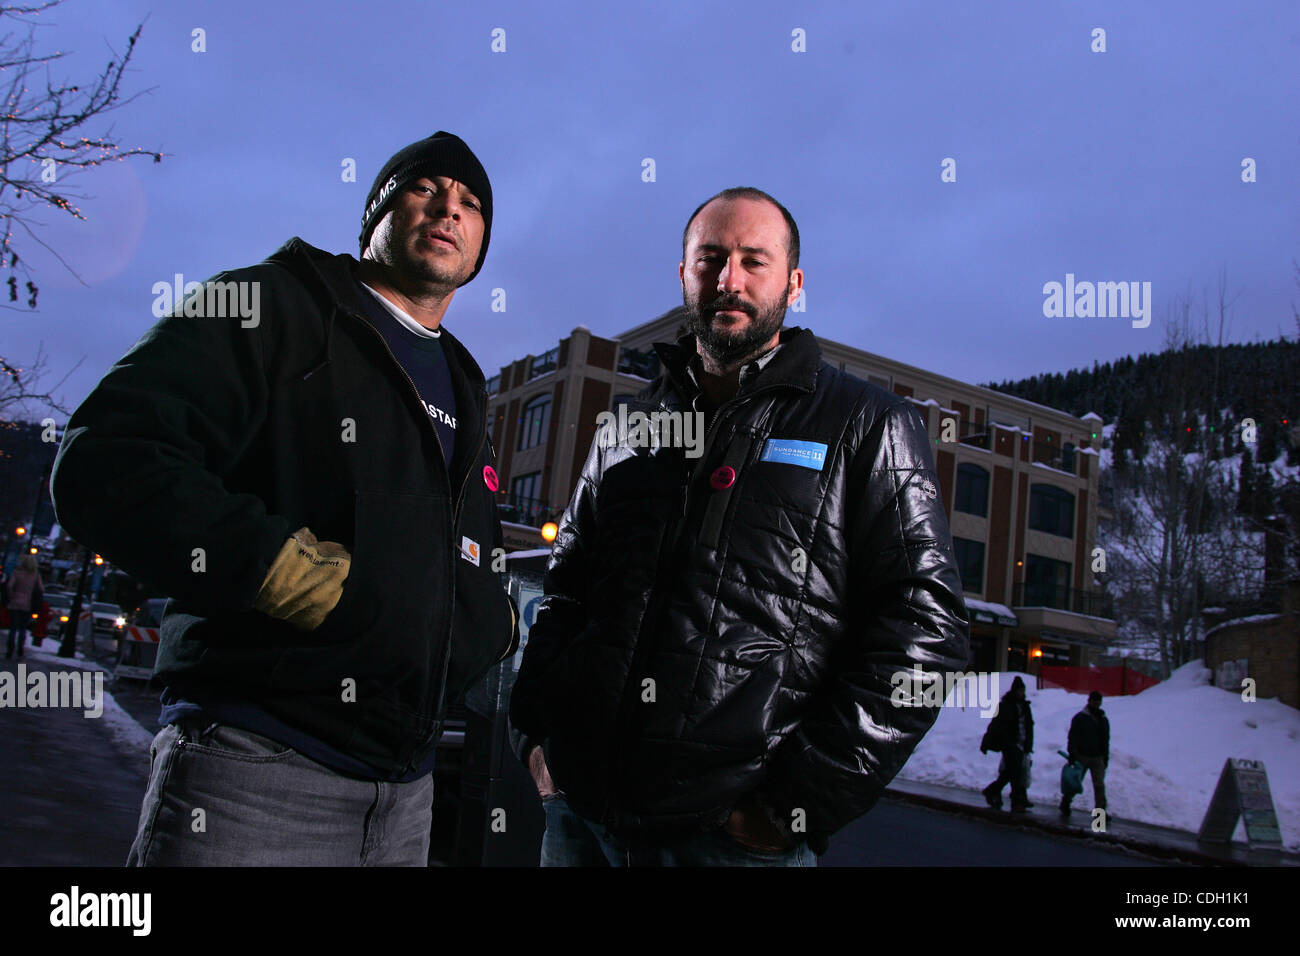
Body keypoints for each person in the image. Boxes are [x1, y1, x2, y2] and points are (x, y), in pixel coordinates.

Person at [51, 131, 517, 866]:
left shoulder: (464, 382)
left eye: (469, 202)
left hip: (406, 796)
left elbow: (459, 550)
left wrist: (489, 617)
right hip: (255, 770)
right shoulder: (274, 306)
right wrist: (282, 574)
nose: (447, 210)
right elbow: (109, 456)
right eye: (423, 189)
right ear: (375, 217)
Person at [508, 186, 970, 866]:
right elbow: (567, 586)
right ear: (684, 275)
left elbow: (928, 632)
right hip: (580, 819)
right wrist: (536, 736)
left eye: (755, 260)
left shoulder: (865, 425)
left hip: (731, 843)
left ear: (794, 282)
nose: (730, 279)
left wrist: (791, 805)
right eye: (711, 258)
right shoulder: (631, 428)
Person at [980, 675, 1035, 812]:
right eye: (1020, 691)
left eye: (1023, 691)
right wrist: (987, 742)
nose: (1022, 693)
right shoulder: (1006, 706)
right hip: (1010, 743)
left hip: (1021, 744)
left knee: (1013, 771)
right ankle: (1017, 800)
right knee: (1014, 771)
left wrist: (1028, 744)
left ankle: (995, 791)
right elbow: (996, 725)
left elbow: (1028, 727)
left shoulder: (1025, 707)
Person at [1062, 690, 1110, 815]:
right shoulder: (1080, 718)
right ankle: (1065, 803)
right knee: (1075, 782)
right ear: (1089, 701)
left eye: (1098, 701)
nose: (1096, 704)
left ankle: (1100, 813)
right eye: (1094, 701)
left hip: (1097, 757)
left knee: (1099, 786)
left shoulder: (1103, 720)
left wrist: (1105, 756)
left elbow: (1105, 739)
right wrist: (1072, 753)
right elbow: (1073, 736)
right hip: (1082, 756)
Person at [4, 555, 43, 659]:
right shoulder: (35, 575)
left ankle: (10, 650)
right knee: (23, 629)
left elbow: (9, 586)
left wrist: (11, 595)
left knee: (13, 628)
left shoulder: (17, 573)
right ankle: (20, 650)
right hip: (27, 604)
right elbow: (40, 589)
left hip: (15, 602)